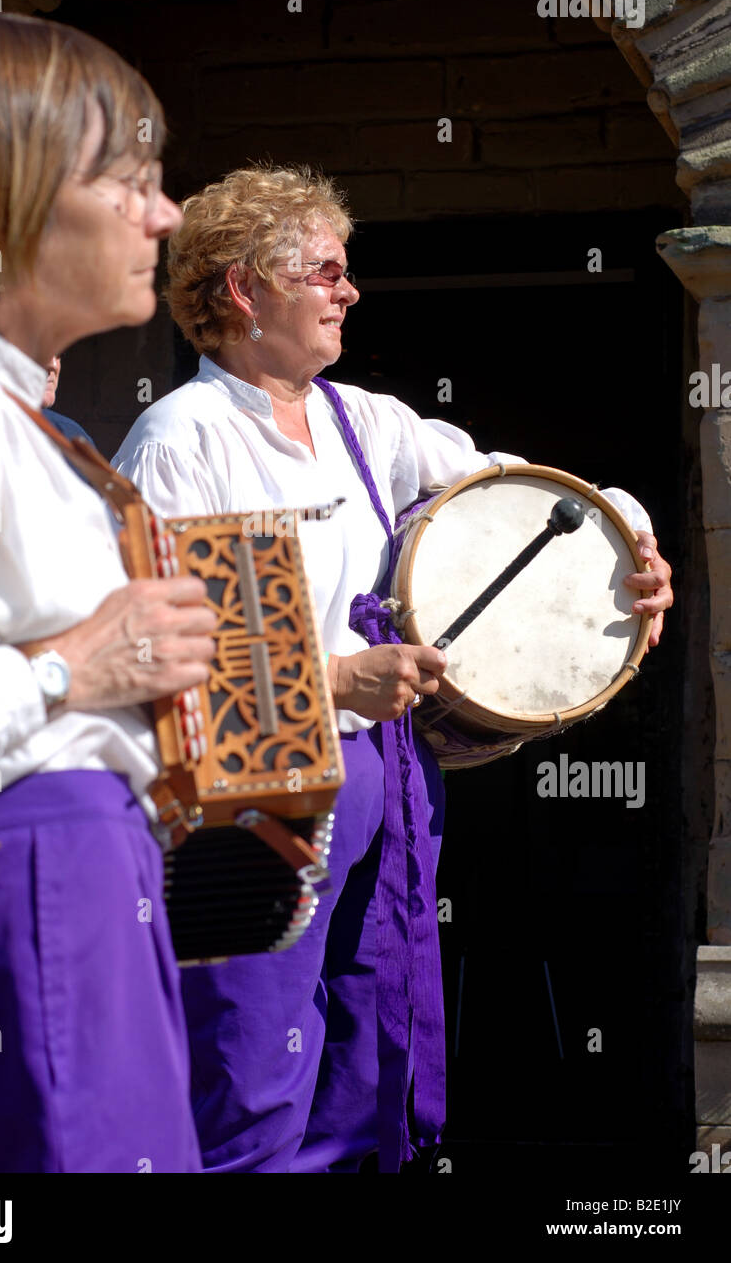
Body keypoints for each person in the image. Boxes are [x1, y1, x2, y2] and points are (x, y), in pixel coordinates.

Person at [114, 163, 674, 1174]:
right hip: (251, 789)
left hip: (385, 779)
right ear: (245, 288)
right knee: (252, 1072)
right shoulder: (182, 440)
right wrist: (336, 679)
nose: (349, 290)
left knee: (370, 1058)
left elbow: (529, 495)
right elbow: (165, 656)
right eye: (327, 271)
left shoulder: (363, 423)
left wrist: (632, 547)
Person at [0, 8, 217, 1173]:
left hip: (75, 892)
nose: (165, 215)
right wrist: (72, 668)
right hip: (10, 901)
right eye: (131, 182)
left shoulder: (2, 412)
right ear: (2, 196)